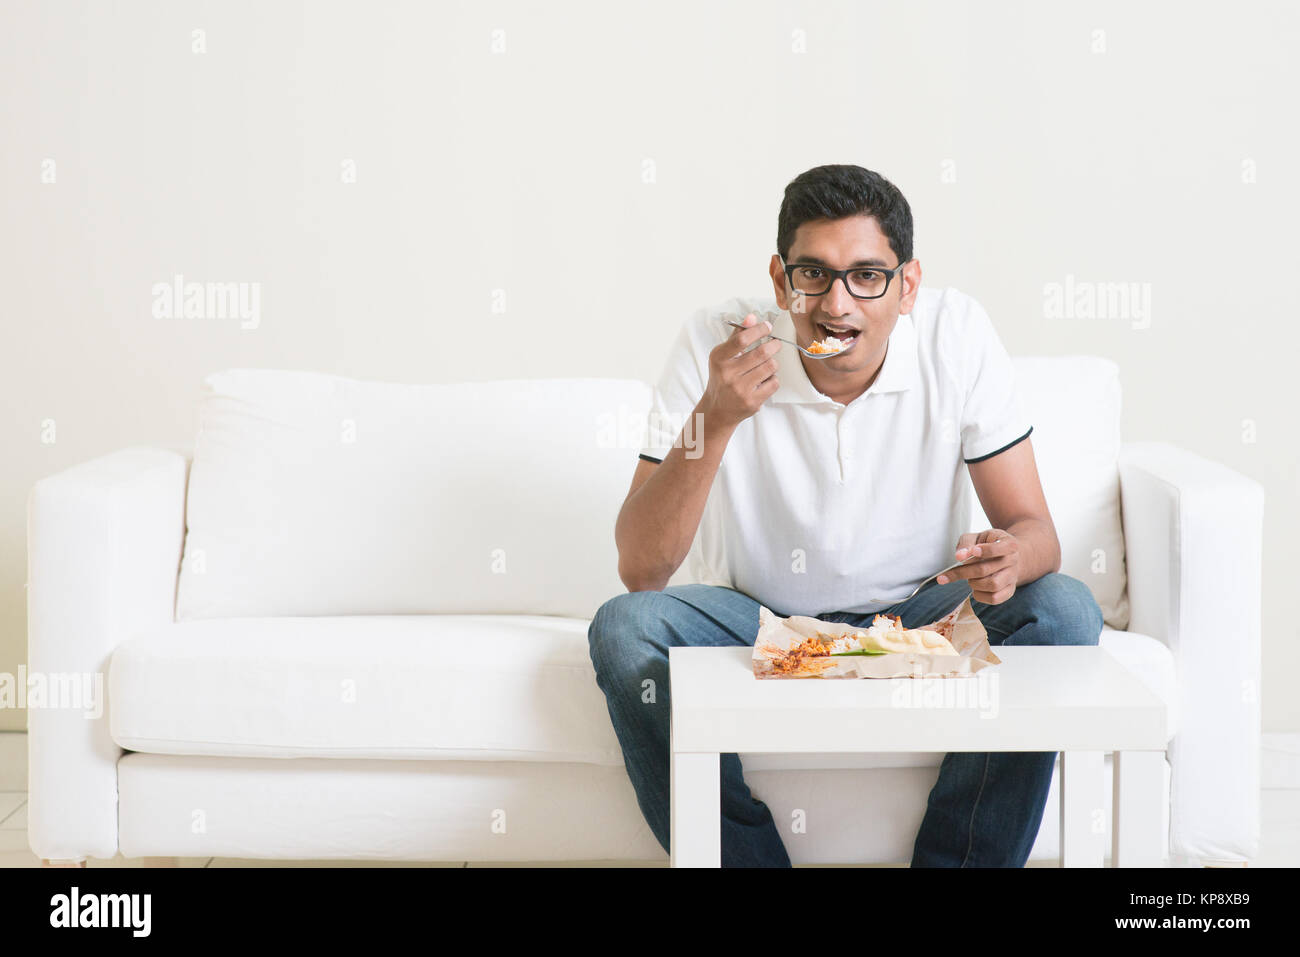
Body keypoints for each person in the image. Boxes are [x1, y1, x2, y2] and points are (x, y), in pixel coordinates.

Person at [588, 164, 1104, 867]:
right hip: (762, 626)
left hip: (919, 622)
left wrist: (1012, 557)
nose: (837, 304)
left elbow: (1036, 531)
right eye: (813, 275)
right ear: (779, 281)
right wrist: (716, 415)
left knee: (1065, 610)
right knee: (625, 630)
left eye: (867, 276)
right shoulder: (716, 345)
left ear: (908, 286)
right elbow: (641, 570)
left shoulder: (956, 335)